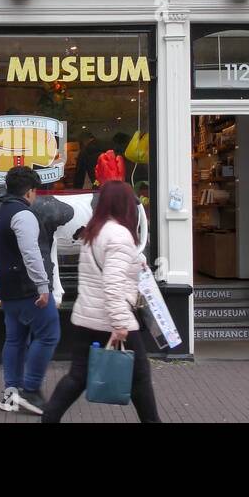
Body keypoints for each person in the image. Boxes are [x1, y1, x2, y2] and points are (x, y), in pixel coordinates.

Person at [42, 180, 160, 423]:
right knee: (140, 377)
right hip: (112, 320)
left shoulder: (94, 232)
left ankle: (49, 418)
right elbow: (112, 285)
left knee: (77, 376)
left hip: (87, 317)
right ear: (126, 204)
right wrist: (119, 324)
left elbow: (100, 273)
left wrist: (134, 264)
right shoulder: (120, 235)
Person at [0, 166, 60, 415]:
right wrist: (42, 286)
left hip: (7, 288)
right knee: (49, 334)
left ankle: (11, 393)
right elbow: (31, 253)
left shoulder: (1, 212)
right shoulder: (23, 215)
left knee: (15, 339)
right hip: (27, 288)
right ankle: (31, 391)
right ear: (31, 191)